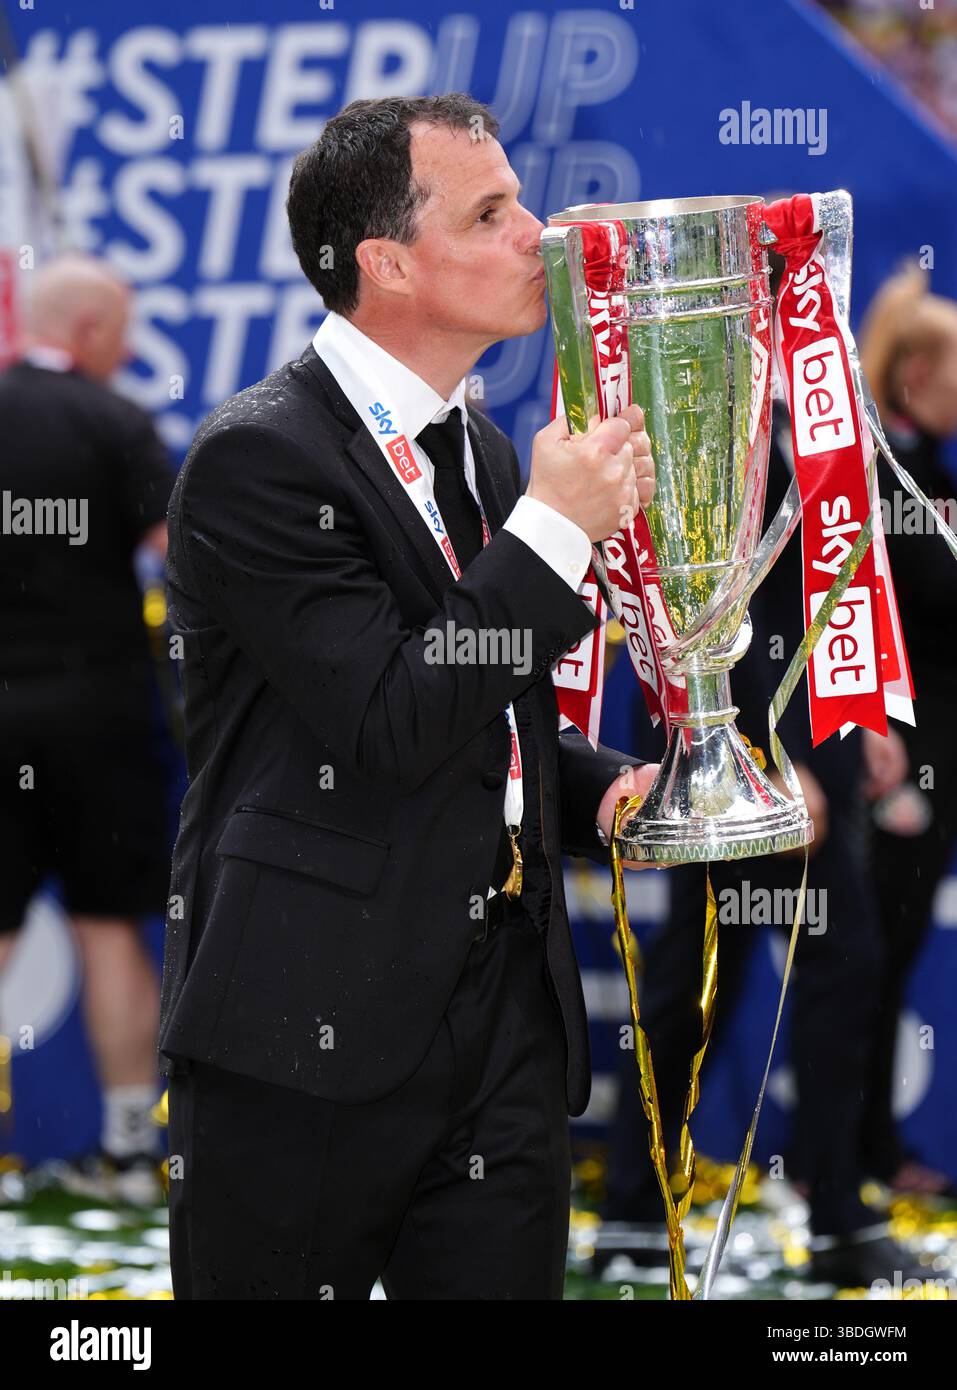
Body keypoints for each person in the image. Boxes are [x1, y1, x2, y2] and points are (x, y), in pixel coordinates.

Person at [159, 93, 660, 1301]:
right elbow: (389, 717)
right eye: (491, 213)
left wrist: (606, 788)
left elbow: (495, 709)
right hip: (304, 1019)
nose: (536, 233)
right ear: (385, 263)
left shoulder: (483, 451)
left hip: (503, 1025)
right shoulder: (258, 459)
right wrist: (549, 533)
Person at [595, 393, 930, 1288]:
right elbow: (690, 589)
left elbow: (825, 574)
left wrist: (860, 710)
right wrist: (757, 751)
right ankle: (823, 1215)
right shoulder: (712, 396)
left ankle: (644, 1204)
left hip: (801, 729)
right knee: (741, 970)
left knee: (709, 971)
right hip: (739, 739)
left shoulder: (799, 398)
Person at [0, 254, 175, 1201]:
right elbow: (175, 558)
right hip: (101, 717)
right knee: (110, 930)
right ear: (94, 331)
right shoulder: (116, 421)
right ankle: (127, 1149)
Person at [857, 264, 957, 1198]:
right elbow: (936, 591)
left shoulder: (924, 471)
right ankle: (852, 1156)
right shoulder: (897, 479)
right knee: (870, 956)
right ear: (918, 373)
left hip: (928, 762)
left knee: (887, 955)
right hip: (903, 762)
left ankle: (864, 1152)